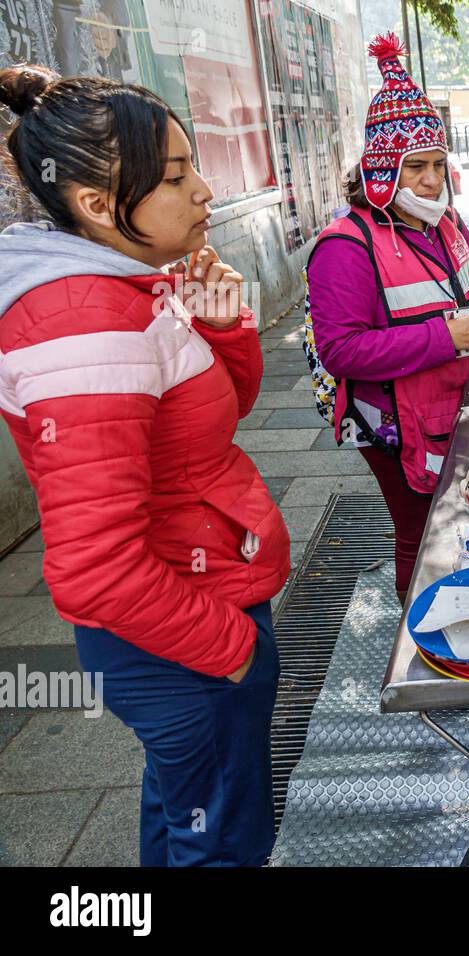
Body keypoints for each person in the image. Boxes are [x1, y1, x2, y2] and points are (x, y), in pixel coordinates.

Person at [0, 64, 290, 866]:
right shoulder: (83, 319)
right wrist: (231, 650)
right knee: (222, 840)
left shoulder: (127, 286)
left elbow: (212, 427)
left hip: (193, 614)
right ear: (95, 204)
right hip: (179, 637)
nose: (203, 190)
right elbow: (93, 569)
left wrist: (224, 327)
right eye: (174, 176)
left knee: (184, 812)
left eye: (193, 164)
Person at [305, 34, 469, 603]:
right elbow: (342, 351)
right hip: (393, 423)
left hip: (460, 405)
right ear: (381, 168)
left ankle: (468, 616)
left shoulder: (446, 222)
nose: (429, 181)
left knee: (466, 518)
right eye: (414, 167)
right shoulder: (344, 246)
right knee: (420, 534)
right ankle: (420, 641)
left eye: (438, 166)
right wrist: (445, 336)